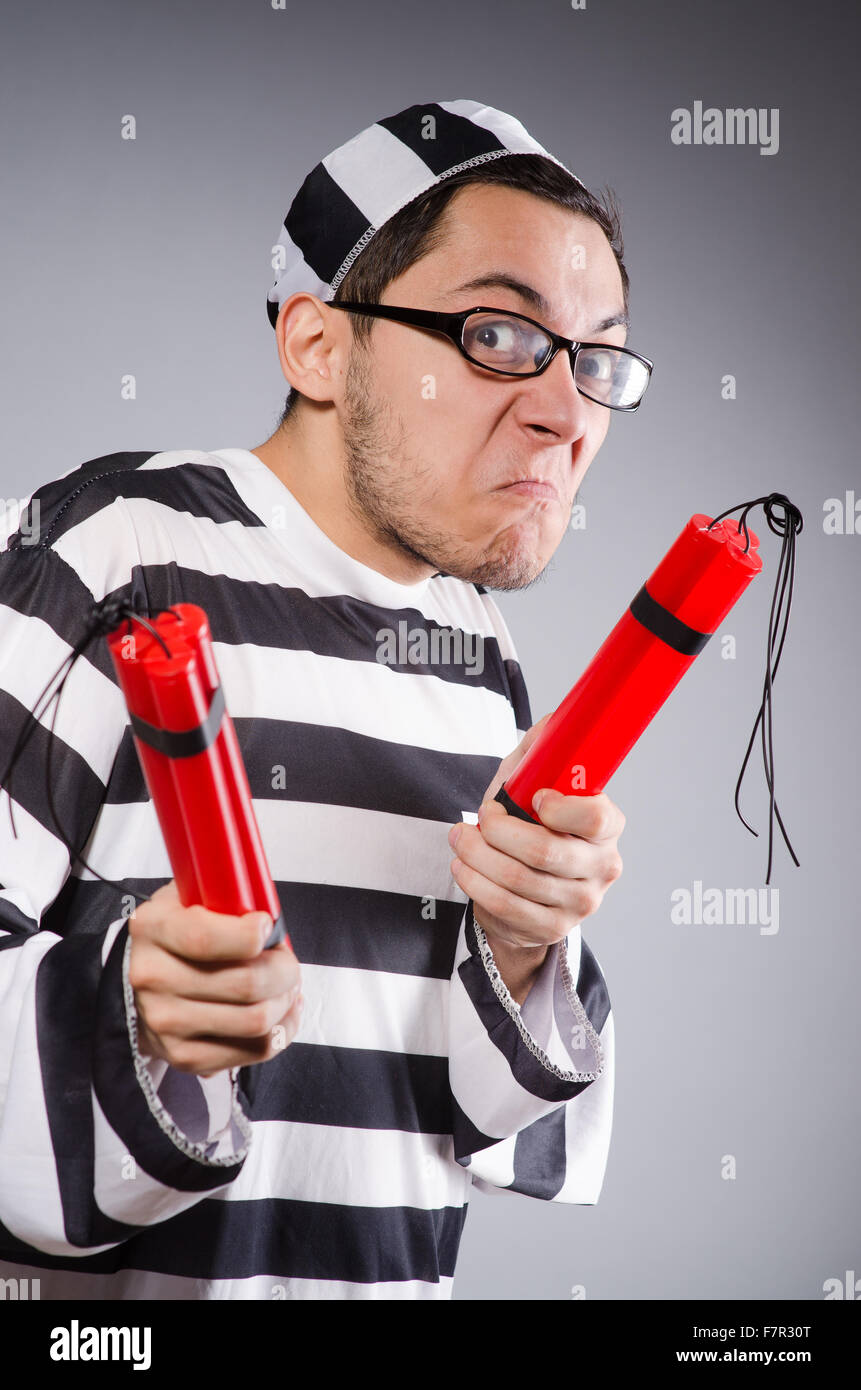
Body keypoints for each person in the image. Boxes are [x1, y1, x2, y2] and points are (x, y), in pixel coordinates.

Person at [0, 98, 649, 1300]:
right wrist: (130, 1012)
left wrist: (519, 948)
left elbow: (457, 1121)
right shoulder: (109, 550)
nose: (567, 412)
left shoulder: (479, 652)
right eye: (501, 334)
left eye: (596, 356)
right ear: (316, 346)